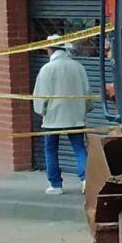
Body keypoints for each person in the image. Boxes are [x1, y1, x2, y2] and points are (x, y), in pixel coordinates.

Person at [31, 41, 91, 193]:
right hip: (75, 116)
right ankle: (86, 180)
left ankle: (56, 184)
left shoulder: (47, 69)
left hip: (52, 118)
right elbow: (87, 92)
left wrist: (41, 112)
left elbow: (40, 96)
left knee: (51, 150)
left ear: (51, 50)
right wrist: (86, 109)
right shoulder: (78, 67)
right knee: (79, 148)